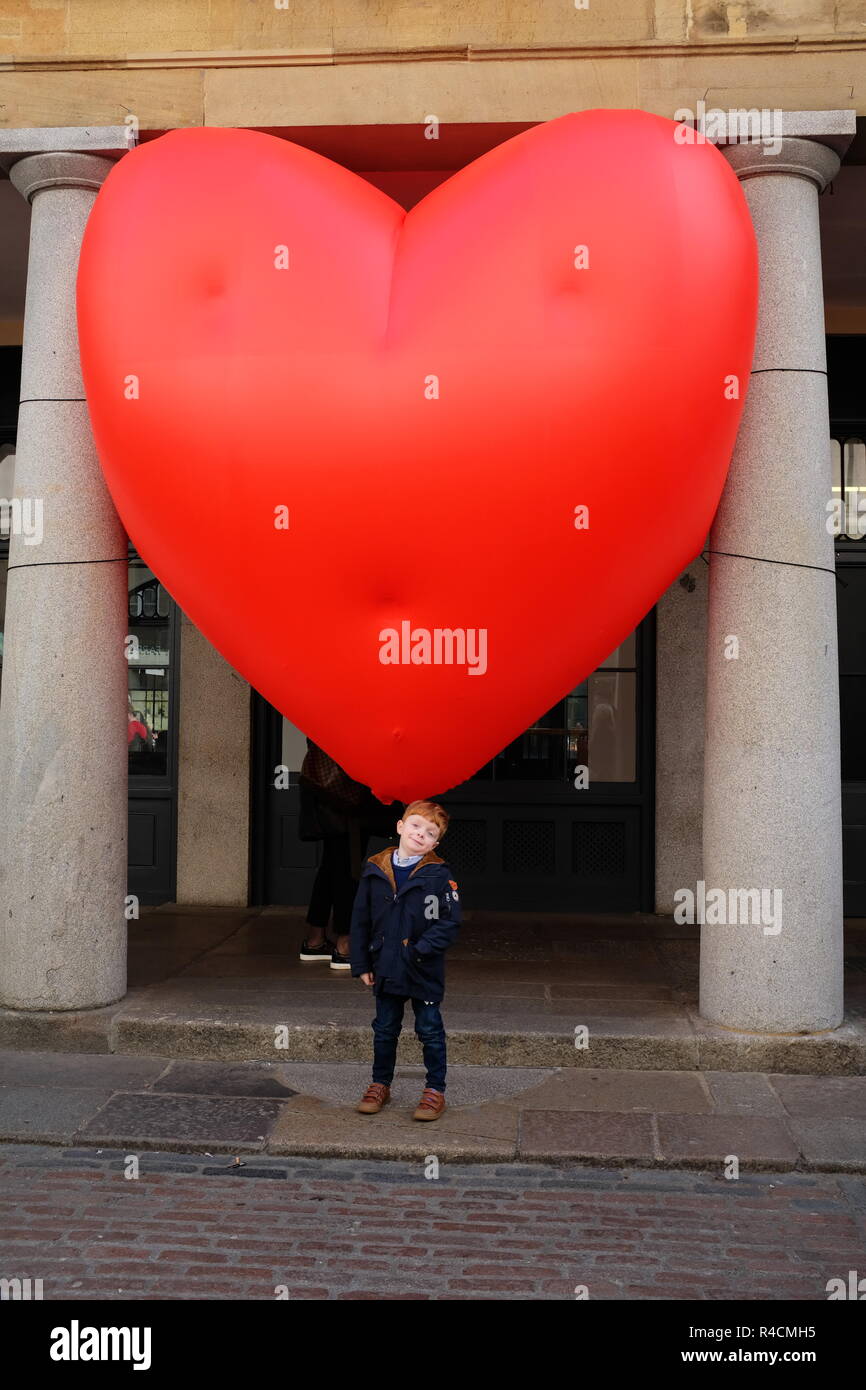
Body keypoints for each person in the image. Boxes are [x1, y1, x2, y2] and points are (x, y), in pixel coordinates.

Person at [349, 800, 461, 1121]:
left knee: (429, 1030)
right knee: (385, 1028)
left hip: (423, 968)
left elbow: (449, 922)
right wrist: (362, 964)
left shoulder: (439, 876)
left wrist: (420, 948)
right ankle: (380, 1083)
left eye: (429, 833)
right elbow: (360, 920)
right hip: (385, 965)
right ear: (400, 827)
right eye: (415, 826)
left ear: (435, 844)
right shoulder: (375, 871)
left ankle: (434, 1089)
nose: (420, 834)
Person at [298, 738, 402, 972]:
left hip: (323, 790)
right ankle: (345, 945)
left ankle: (315, 939)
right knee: (348, 865)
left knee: (332, 863)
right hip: (347, 792)